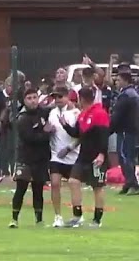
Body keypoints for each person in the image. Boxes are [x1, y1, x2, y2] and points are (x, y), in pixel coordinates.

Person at [60, 87, 110, 228]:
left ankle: (97, 220)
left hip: (96, 157)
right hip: (83, 156)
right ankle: (77, 215)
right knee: (73, 181)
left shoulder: (100, 114)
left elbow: (104, 135)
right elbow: (77, 133)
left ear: (81, 99)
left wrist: (102, 154)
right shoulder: (82, 115)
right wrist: (65, 125)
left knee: (97, 187)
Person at [10, 88, 51, 227]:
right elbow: (30, 138)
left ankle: (39, 219)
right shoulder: (22, 118)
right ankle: (14, 219)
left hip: (40, 159)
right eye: (29, 98)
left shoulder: (44, 112)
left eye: (35, 97)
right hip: (25, 158)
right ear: (24, 101)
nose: (33, 101)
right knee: (21, 188)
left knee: (38, 189)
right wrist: (45, 133)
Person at [45, 85, 81, 228]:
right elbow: (48, 129)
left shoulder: (76, 113)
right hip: (56, 156)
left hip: (72, 155)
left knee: (74, 185)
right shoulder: (52, 113)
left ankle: (77, 215)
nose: (57, 100)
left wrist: (69, 148)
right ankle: (57, 216)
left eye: (60, 97)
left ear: (67, 97)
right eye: (55, 97)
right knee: (54, 183)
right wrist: (48, 131)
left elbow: (80, 136)